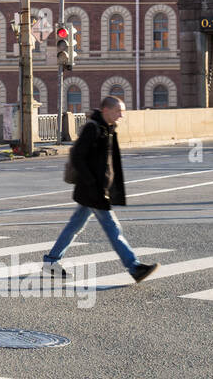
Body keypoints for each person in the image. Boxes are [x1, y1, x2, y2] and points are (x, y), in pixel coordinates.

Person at [42, 96, 159, 282]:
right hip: (93, 191)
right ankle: (134, 267)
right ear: (106, 110)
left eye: (122, 112)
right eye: (118, 111)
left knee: (74, 226)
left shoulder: (107, 128)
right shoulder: (93, 128)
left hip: (95, 190)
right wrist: (93, 183)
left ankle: (51, 261)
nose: (121, 115)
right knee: (113, 229)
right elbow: (78, 157)